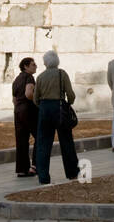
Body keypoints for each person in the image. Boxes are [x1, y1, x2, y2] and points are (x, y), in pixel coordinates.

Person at [32, 50, 79, 185]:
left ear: (45, 62)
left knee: (43, 144)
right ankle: (72, 172)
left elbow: (35, 99)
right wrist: (68, 103)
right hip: (59, 109)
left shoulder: (40, 77)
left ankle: (43, 176)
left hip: (45, 109)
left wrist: (42, 106)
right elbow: (71, 94)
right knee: (67, 142)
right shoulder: (62, 74)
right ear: (57, 61)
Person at [12, 57, 39, 177]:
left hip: (18, 111)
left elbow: (14, 99)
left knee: (21, 140)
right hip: (29, 110)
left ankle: (22, 169)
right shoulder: (29, 77)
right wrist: (37, 101)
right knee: (40, 136)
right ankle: (35, 166)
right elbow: (29, 94)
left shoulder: (16, 80)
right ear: (26, 66)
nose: (36, 66)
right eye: (33, 64)